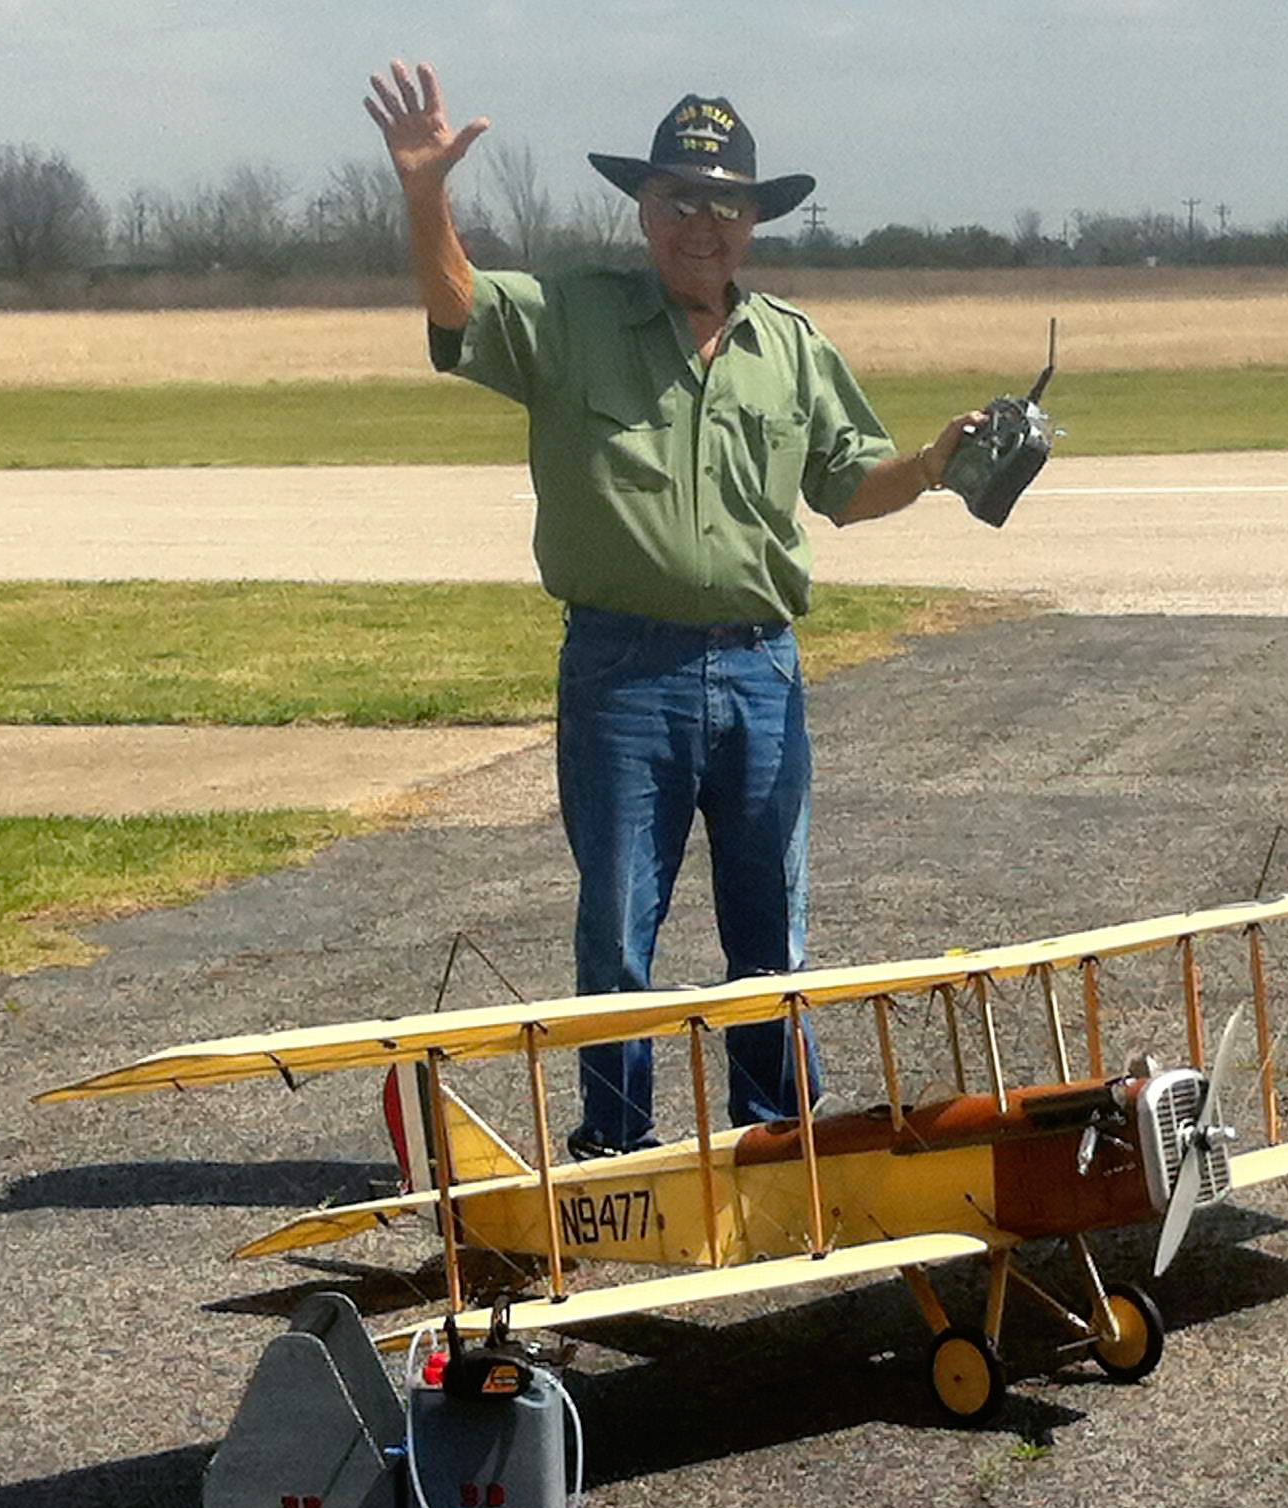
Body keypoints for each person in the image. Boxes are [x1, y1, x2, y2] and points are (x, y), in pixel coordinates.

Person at [368, 61, 978, 1156]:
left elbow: (848, 486)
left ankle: (777, 1140)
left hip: (760, 669)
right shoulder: (572, 318)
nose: (703, 224)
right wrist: (424, 191)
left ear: (753, 219)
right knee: (615, 926)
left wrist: (931, 461)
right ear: (644, 212)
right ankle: (618, 1148)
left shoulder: (790, 346)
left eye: (725, 203)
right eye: (680, 200)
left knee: (770, 930)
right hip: (621, 672)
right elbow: (455, 300)